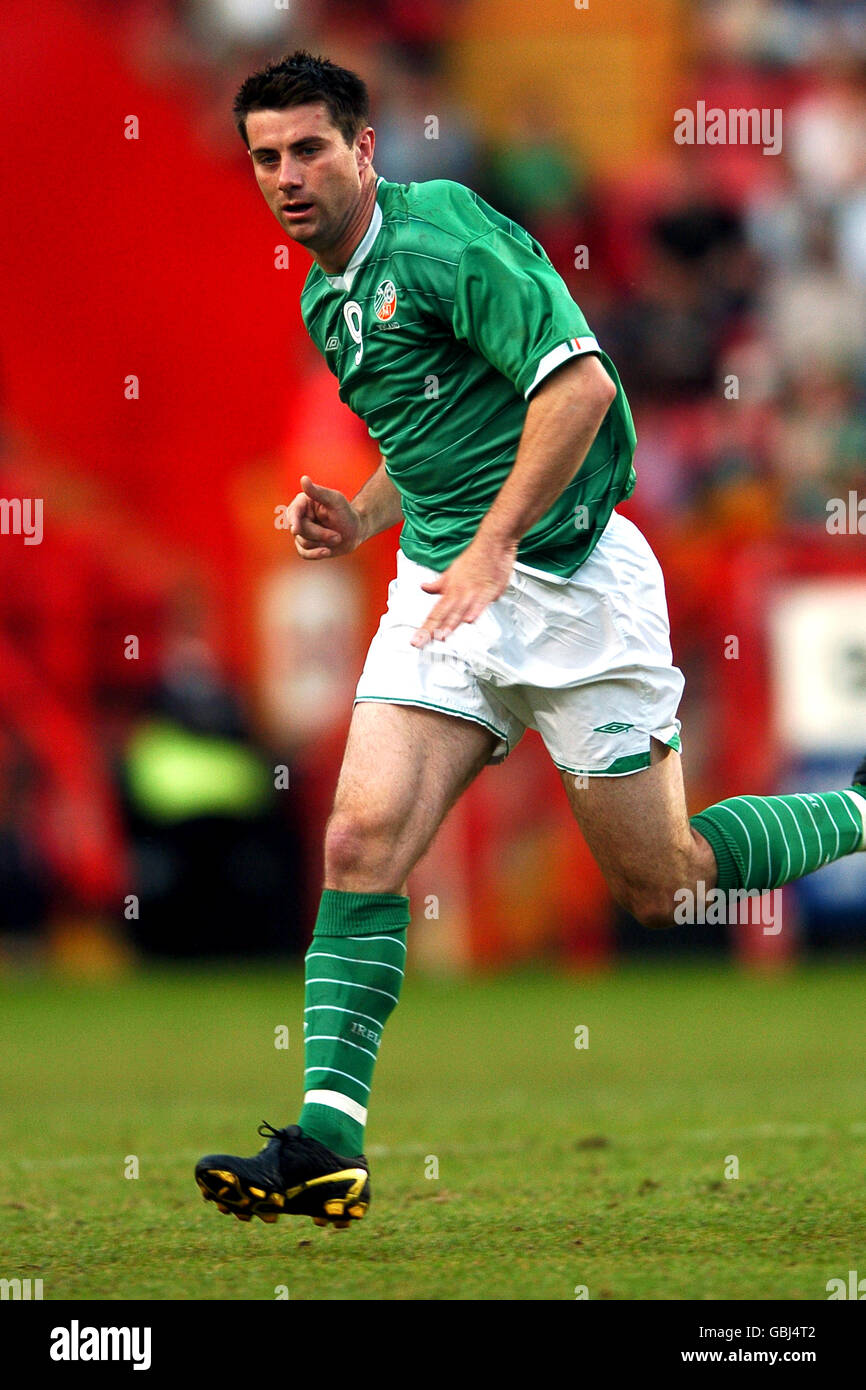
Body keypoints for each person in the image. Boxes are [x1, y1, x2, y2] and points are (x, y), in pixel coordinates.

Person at [195, 51, 866, 1230]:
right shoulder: (323, 296)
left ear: (364, 147)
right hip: (440, 592)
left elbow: (579, 388)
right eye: (265, 157)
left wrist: (497, 542)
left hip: (568, 584)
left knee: (662, 886)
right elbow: (432, 435)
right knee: (357, 840)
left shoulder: (446, 231)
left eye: (309, 148)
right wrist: (361, 514)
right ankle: (326, 1144)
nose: (287, 176)